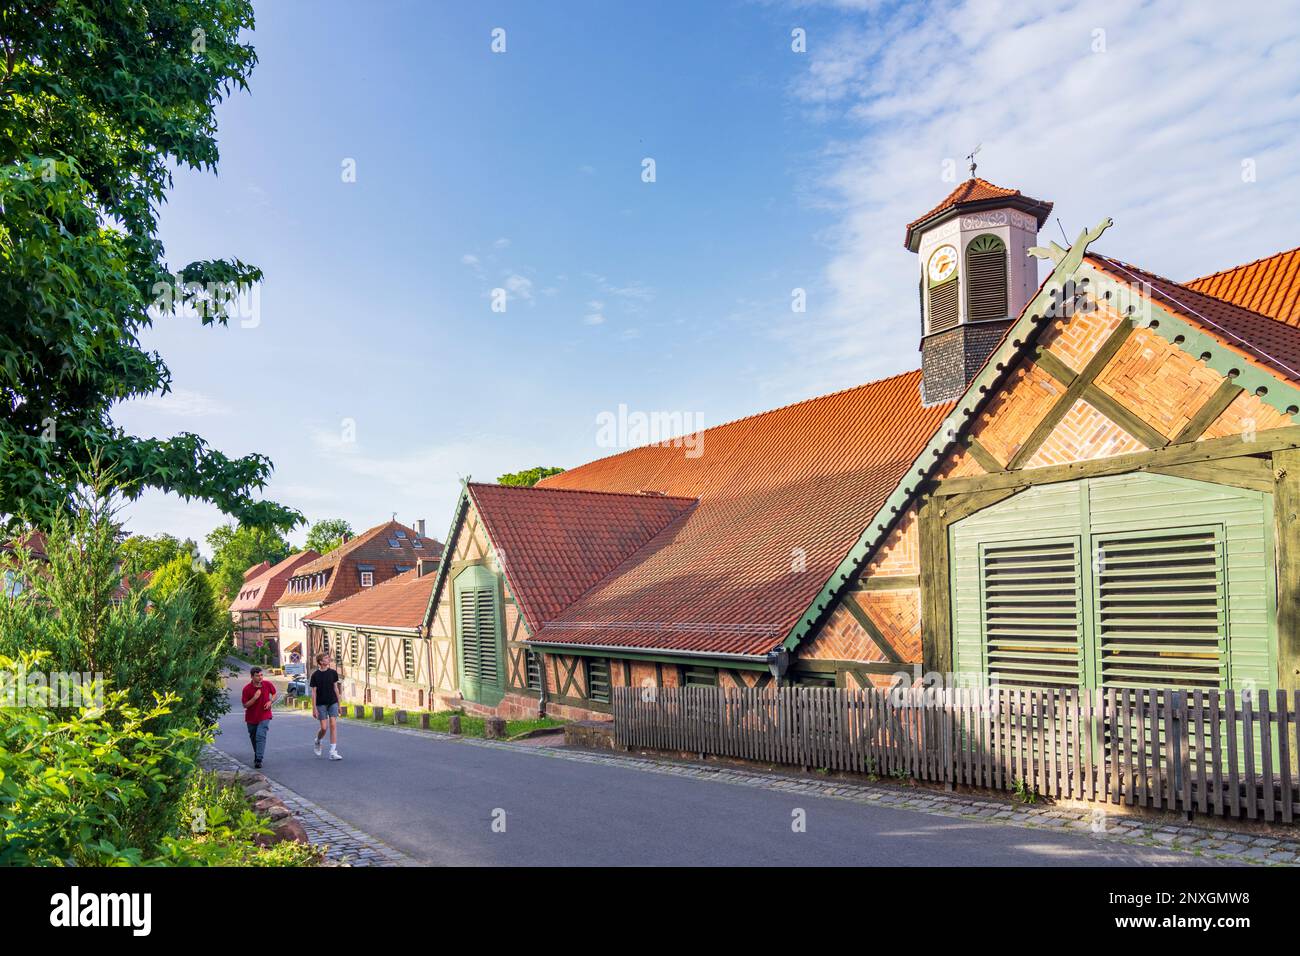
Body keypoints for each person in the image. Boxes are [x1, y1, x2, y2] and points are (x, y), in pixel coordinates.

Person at [309, 651, 343, 761]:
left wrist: (339, 704)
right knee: (324, 728)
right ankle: (318, 741)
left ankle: (333, 752)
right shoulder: (315, 675)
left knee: (333, 724)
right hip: (320, 704)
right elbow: (314, 693)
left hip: (332, 702)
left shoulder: (333, 673)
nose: (328, 659)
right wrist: (314, 708)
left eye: (328, 658)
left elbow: (335, 688)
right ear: (321, 662)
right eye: (326, 658)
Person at [241, 666, 276, 768]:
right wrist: (255, 698)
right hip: (251, 717)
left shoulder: (267, 684)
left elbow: (274, 693)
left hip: (265, 715)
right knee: (253, 737)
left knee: (260, 735)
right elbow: (245, 705)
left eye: (261, 675)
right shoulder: (247, 689)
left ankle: (258, 759)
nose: (260, 677)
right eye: (257, 676)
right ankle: (258, 754)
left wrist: (270, 701)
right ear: (252, 677)